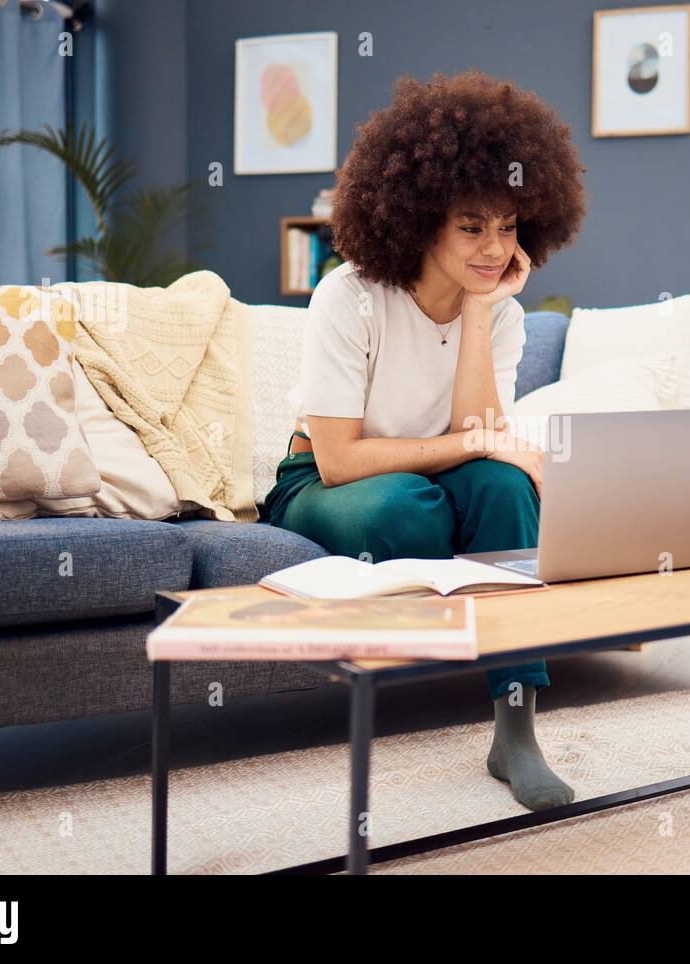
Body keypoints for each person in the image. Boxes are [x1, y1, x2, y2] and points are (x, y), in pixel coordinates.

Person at [264, 69, 588, 811]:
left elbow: (477, 437)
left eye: (508, 227)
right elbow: (342, 458)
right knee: (410, 508)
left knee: (505, 487)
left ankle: (516, 729)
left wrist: (479, 313)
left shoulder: (500, 310)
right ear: (418, 219)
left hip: (431, 476)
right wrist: (481, 447)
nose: (493, 247)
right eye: (472, 226)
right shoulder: (349, 297)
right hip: (320, 481)